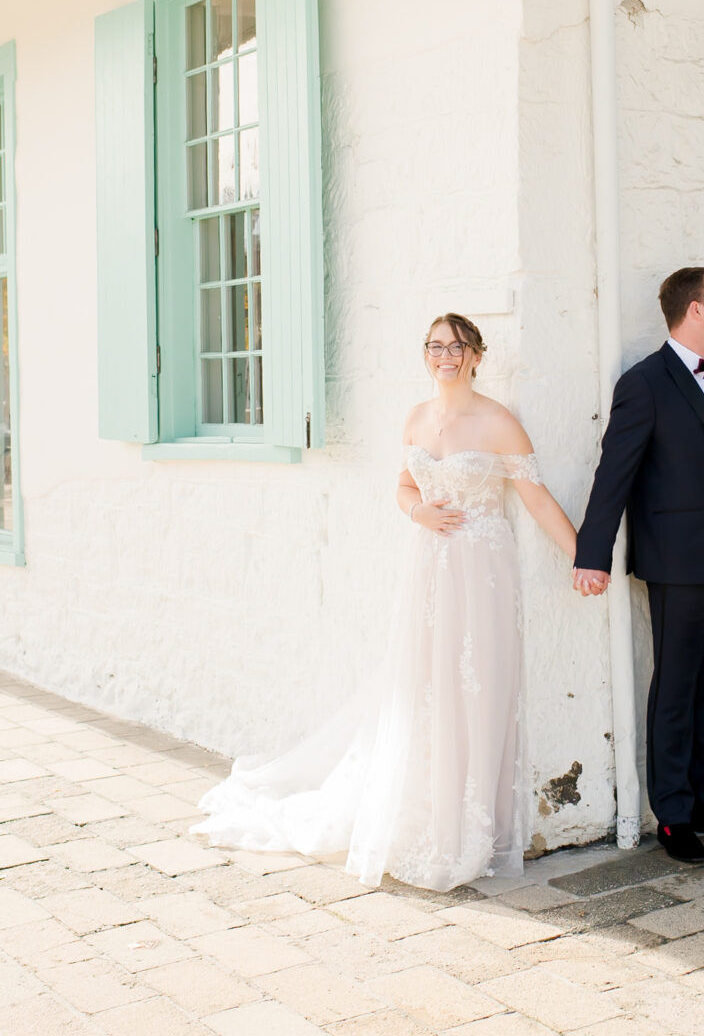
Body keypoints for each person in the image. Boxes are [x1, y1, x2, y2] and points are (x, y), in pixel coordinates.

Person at [193, 314, 577, 892]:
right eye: (434, 346)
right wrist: (417, 510)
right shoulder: (417, 418)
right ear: (426, 355)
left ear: (477, 354)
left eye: (457, 346)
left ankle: (470, 824)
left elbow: (536, 497)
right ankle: (424, 808)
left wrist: (583, 555)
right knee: (425, 688)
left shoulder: (499, 422)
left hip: (481, 575)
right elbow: (404, 484)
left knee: (477, 688)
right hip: (429, 570)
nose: (445, 355)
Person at [573, 267, 704, 863]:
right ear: (695, 310)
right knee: (677, 689)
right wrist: (593, 555)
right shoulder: (645, 383)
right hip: (679, 563)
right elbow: (616, 472)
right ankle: (674, 813)